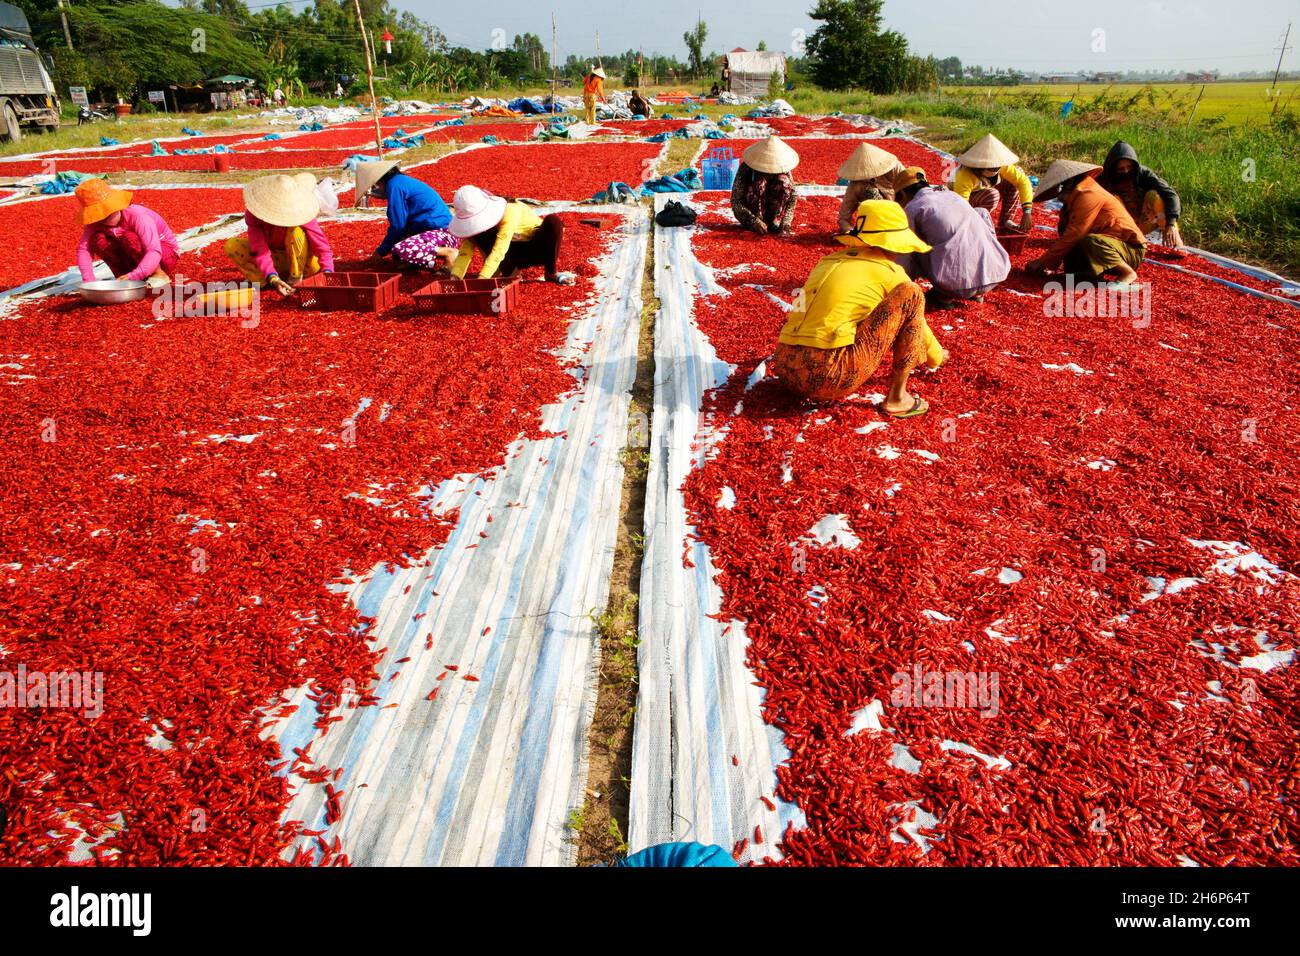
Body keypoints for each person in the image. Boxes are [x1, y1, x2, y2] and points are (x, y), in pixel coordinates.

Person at [770, 200, 938, 416]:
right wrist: (936, 357)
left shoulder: (827, 261)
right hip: (830, 376)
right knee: (912, 293)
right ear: (894, 243)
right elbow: (920, 327)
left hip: (784, 366)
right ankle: (897, 398)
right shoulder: (891, 272)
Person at [893, 167, 1010, 309]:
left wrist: (898, 286)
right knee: (980, 212)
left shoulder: (913, 208)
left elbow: (905, 253)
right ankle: (977, 293)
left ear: (903, 194)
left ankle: (943, 295)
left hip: (955, 286)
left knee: (913, 243)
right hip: (995, 275)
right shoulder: (953, 196)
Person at [1025, 160, 1146, 288]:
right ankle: (1082, 272)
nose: (1059, 193)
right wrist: (1050, 264)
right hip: (1111, 244)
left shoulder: (1088, 194)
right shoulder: (1077, 197)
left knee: (1091, 240)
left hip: (1131, 249)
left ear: (1071, 182)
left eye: (1062, 186)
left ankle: (1127, 274)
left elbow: (1076, 233)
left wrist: (1043, 261)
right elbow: (1069, 232)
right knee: (1065, 223)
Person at [226, 173, 334, 296]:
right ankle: (263, 279)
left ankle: (295, 277)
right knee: (232, 245)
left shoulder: (302, 213)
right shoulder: (255, 214)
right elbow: (259, 250)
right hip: (275, 259)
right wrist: (273, 278)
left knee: (296, 231)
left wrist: (327, 272)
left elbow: (323, 248)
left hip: (305, 265)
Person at [448, 185, 568, 284]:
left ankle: (551, 273)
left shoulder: (509, 211)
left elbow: (499, 249)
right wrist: (455, 277)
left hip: (535, 247)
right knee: (477, 235)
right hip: (513, 253)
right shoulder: (477, 228)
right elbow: (465, 251)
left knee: (553, 222)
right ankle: (510, 271)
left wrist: (482, 279)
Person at [74, 179, 180, 286]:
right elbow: (84, 250)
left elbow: (154, 250)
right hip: (132, 256)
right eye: (99, 215)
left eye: (107, 212)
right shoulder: (95, 223)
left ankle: (158, 274)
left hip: (164, 255)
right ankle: (122, 277)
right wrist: (89, 283)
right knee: (98, 240)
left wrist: (136, 275)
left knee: (130, 238)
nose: (103, 217)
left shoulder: (139, 217)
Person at [355, 161, 457, 270]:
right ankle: (415, 262)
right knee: (399, 248)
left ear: (378, 181)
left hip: (443, 233)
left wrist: (380, 252)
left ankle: (449, 253)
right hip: (445, 232)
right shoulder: (399, 181)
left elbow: (398, 226)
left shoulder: (394, 186)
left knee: (401, 249)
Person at [1095, 141, 1184, 250]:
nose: (1126, 171)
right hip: (1118, 228)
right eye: (1121, 169)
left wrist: (1170, 224)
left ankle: (1173, 239)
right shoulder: (1103, 179)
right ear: (1113, 169)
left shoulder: (1142, 173)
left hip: (1143, 222)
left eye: (1129, 167)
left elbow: (1170, 194)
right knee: (1113, 199)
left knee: (1154, 196)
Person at [950, 133, 1033, 233]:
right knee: (992, 195)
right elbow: (961, 205)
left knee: (1019, 172)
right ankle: (978, 224)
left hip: (984, 190)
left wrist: (1027, 211)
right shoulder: (965, 175)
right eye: (990, 167)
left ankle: (1006, 221)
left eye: (996, 167)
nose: (995, 169)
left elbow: (1022, 181)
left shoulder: (1000, 165)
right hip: (957, 200)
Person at [731, 137, 799, 236]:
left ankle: (771, 221)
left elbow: (792, 197)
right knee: (759, 183)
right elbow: (735, 201)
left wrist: (786, 222)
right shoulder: (746, 168)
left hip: (772, 212)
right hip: (749, 215)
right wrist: (752, 221)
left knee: (784, 182)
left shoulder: (782, 168)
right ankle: (758, 220)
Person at [836, 142, 903, 234]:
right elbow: (844, 217)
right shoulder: (856, 185)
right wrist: (850, 232)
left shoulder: (893, 168)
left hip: (899, 211)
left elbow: (909, 187)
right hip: (874, 222)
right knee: (870, 192)